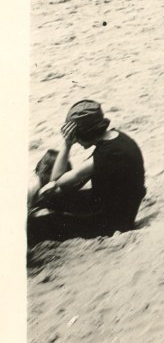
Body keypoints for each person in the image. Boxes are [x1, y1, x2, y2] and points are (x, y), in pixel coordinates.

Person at [28, 99, 145, 245]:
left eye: (75, 136)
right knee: (53, 199)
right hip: (121, 208)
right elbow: (77, 178)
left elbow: (56, 179)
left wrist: (66, 145)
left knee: (37, 225)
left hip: (112, 223)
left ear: (85, 133)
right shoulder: (117, 139)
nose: (75, 141)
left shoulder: (106, 154)